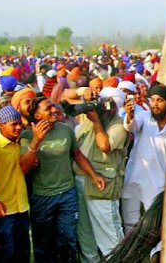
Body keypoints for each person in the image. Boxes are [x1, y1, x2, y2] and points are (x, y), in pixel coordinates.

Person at [20, 95, 105, 263]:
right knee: (44, 244)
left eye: (53, 106)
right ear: (37, 116)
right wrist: (36, 141)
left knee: (68, 240)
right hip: (42, 197)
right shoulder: (27, 135)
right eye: (48, 109)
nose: (54, 110)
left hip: (67, 194)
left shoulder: (65, 129)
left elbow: (77, 155)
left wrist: (94, 175)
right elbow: (23, 168)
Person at [74, 87, 130, 263]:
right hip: (80, 181)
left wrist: (97, 122)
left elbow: (104, 145)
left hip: (102, 186)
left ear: (115, 107)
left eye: (108, 104)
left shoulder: (119, 125)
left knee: (110, 236)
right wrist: (83, 91)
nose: (102, 107)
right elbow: (64, 98)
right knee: (85, 236)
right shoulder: (88, 119)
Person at [0, 106, 31, 263]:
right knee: (6, 254)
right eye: (13, 125)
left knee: (23, 252)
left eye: (19, 124)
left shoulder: (21, 145)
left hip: (21, 207)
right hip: (3, 211)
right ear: (1, 125)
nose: (18, 128)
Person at [121, 83, 166, 234]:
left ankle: (155, 254)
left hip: (159, 182)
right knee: (130, 223)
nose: (155, 104)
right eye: (152, 99)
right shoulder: (143, 116)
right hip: (134, 179)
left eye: (160, 100)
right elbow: (132, 126)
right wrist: (130, 115)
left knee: (155, 224)